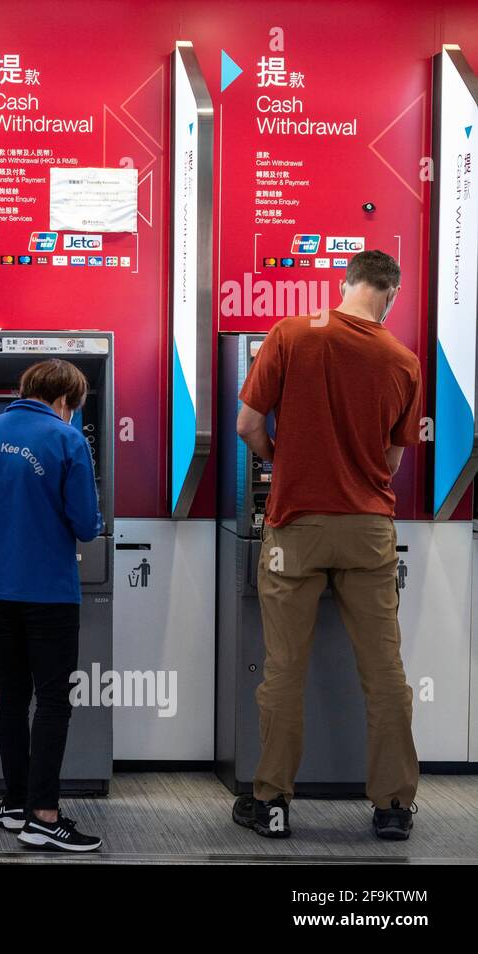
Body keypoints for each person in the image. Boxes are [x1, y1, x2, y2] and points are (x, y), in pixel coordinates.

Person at [232, 249, 421, 841]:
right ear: (389, 295)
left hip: (297, 524)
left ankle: (272, 803)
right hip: (368, 530)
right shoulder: (403, 360)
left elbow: (245, 424)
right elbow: (392, 459)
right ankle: (392, 806)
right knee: (385, 672)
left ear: (345, 284)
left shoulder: (290, 335)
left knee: (285, 669)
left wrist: (280, 461)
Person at [0, 359, 104, 852]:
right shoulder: (67, 440)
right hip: (48, 593)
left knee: (10, 699)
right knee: (54, 701)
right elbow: (86, 523)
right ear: (66, 401)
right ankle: (43, 815)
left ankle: (15, 802)